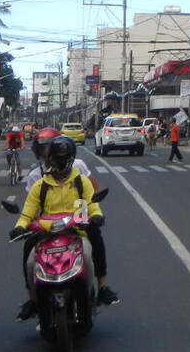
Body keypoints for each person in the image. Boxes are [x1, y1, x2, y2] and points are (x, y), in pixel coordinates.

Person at [11, 136, 117, 320]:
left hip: (77, 230)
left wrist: (96, 216)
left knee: (92, 247)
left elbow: (91, 204)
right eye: (57, 158)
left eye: (65, 158)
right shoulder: (40, 185)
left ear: (72, 159)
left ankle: (102, 287)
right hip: (47, 233)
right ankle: (33, 300)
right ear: (50, 159)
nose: (61, 162)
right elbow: (27, 213)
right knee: (29, 260)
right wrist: (19, 227)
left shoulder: (81, 181)